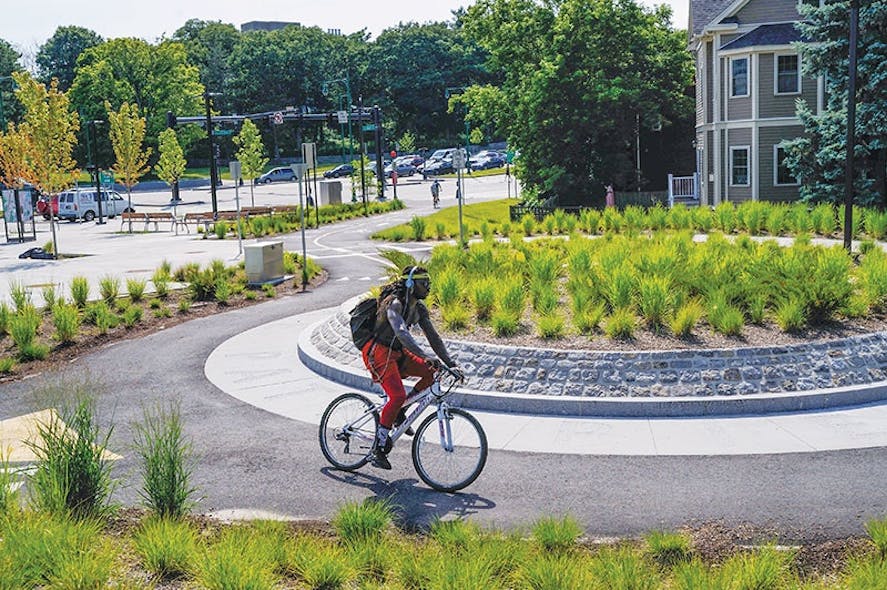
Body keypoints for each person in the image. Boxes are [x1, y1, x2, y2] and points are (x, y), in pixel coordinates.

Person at [360, 266, 463, 470]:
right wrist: (424, 356)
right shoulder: (394, 303)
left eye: (429, 282)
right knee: (396, 395)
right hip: (379, 352)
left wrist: (450, 364)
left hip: (397, 353)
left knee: (432, 373)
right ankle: (378, 448)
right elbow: (400, 332)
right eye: (424, 282)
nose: (428, 286)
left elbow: (433, 337)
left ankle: (401, 410)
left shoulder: (419, 308)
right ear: (410, 283)